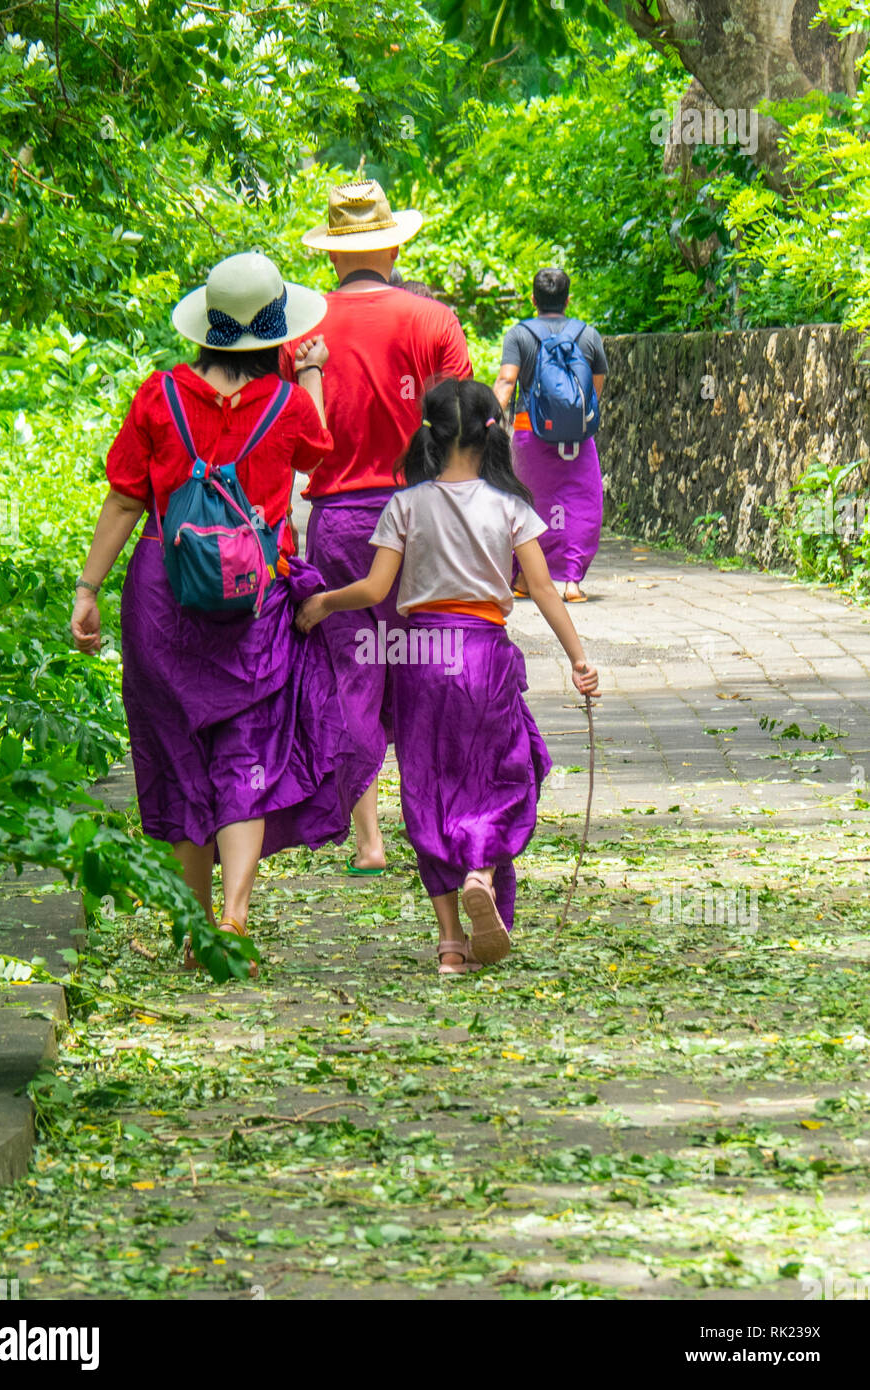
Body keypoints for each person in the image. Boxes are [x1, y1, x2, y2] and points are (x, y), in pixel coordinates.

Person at [70, 252, 378, 971]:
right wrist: (308, 377)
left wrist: (88, 587)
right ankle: (235, 918)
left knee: (180, 753)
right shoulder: (289, 405)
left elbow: (122, 498)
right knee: (246, 749)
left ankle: (194, 927)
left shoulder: (156, 397)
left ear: (205, 328)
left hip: (162, 593)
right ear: (275, 335)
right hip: (253, 597)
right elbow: (319, 461)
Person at [296, 378, 599, 975]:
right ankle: (482, 871)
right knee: (505, 770)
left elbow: (376, 590)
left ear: (430, 434)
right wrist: (578, 660)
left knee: (427, 788)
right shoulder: (512, 507)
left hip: (420, 657)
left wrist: (325, 602)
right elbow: (542, 589)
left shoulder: (404, 505)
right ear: (492, 435)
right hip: (484, 652)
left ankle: (450, 945)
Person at [281, 179, 472, 875]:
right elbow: (462, 425)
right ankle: (441, 825)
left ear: (331, 254)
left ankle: (367, 839)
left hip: (335, 518)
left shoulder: (302, 329)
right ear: (393, 245)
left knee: (352, 670)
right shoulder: (432, 322)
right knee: (425, 667)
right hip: (419, 516)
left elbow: (295, 439)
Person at [494, 268, 608, 602]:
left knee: (529, 503)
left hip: (531, 434)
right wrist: (574, 417)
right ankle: (571, 581)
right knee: (580, 502)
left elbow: (506, 381)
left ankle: (528, 578)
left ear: (533, 299)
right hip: (578, 437)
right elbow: (596, 386)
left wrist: (488, 418)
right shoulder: (587, 335)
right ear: (567, 299)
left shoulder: (519, 335)